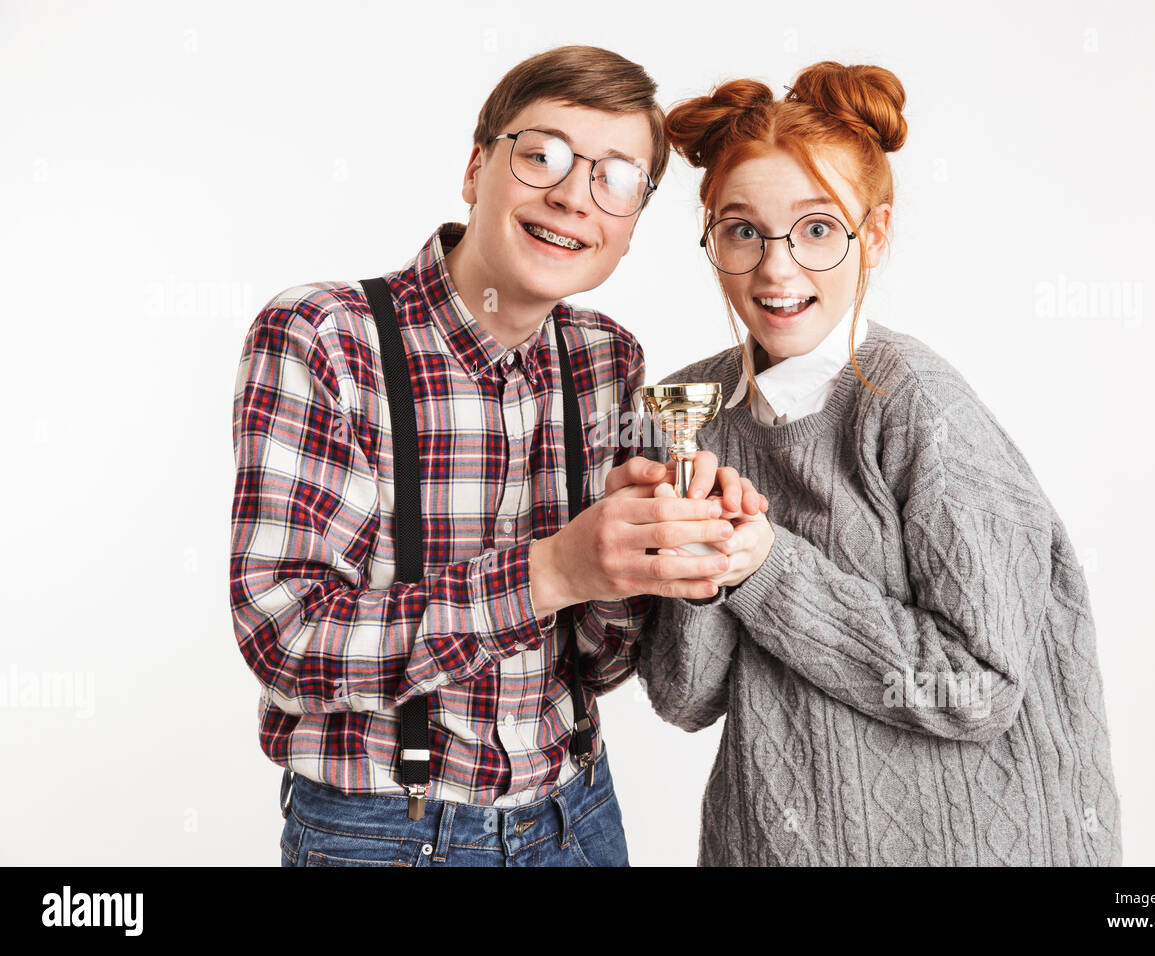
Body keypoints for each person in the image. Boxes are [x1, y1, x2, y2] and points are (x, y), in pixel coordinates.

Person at [229, 45, 766, 867]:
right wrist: (548, 570)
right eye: (543, 154)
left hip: (578, 816)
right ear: (477, 166)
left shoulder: (607, 359)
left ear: (631, 225)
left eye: (616, 178)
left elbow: (600, 660)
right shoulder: (325, 337)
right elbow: (287, 640)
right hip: (390, 830)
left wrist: (654, 559)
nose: (572, 196)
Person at [635, 61, 1123, 866]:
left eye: (818, 228)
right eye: (742, 229)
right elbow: (686, 700)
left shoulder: (914, 404)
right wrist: (699, 568)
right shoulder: (691, 408)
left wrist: (765, 567)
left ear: (878, 234)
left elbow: (980, 685)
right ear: (712, 238)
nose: (776, 268)